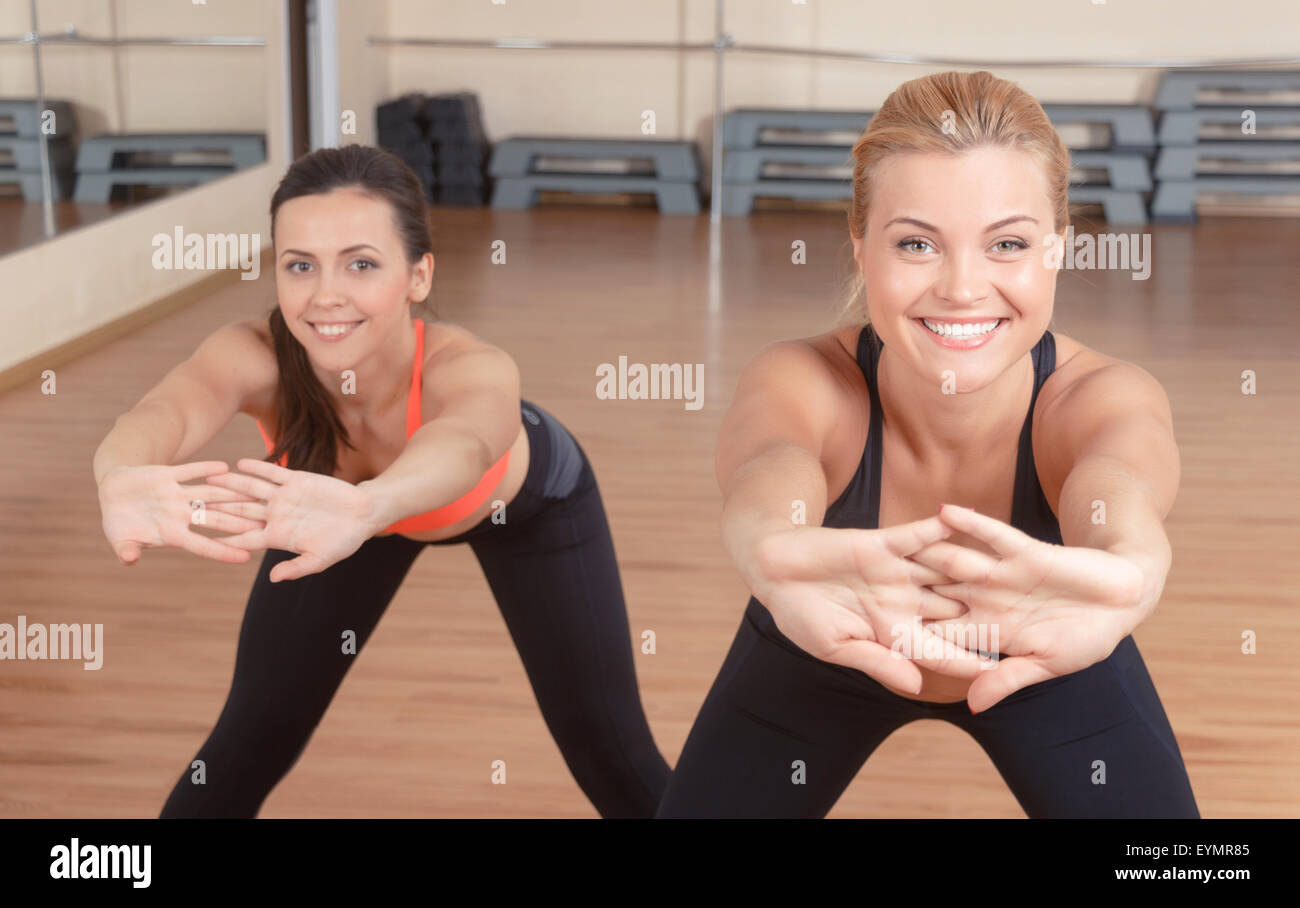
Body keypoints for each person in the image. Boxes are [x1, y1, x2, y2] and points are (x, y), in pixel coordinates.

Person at [655, 70, 1200, 818]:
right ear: (860, 246)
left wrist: (1133, 564)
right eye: (917, 243)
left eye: (1007, 243)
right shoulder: (803, 378)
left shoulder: (1102, 396)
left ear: (1058, 250)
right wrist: (762, 545)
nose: (963, 288)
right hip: (830, 630)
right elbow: (768, 473)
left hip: (1047, 644)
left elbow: (1119, 491)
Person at [93, 144, 669, 818]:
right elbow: (166, 409)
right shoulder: (254, 354)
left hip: (524, 508)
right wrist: (118, 475)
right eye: (300, 265)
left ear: (417, 276)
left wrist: (372, 507)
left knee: (613, 757)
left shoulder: (471, 367)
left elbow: (464, 446)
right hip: (332, 515)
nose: (326, 295)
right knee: (249, 739)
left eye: (361, 264)